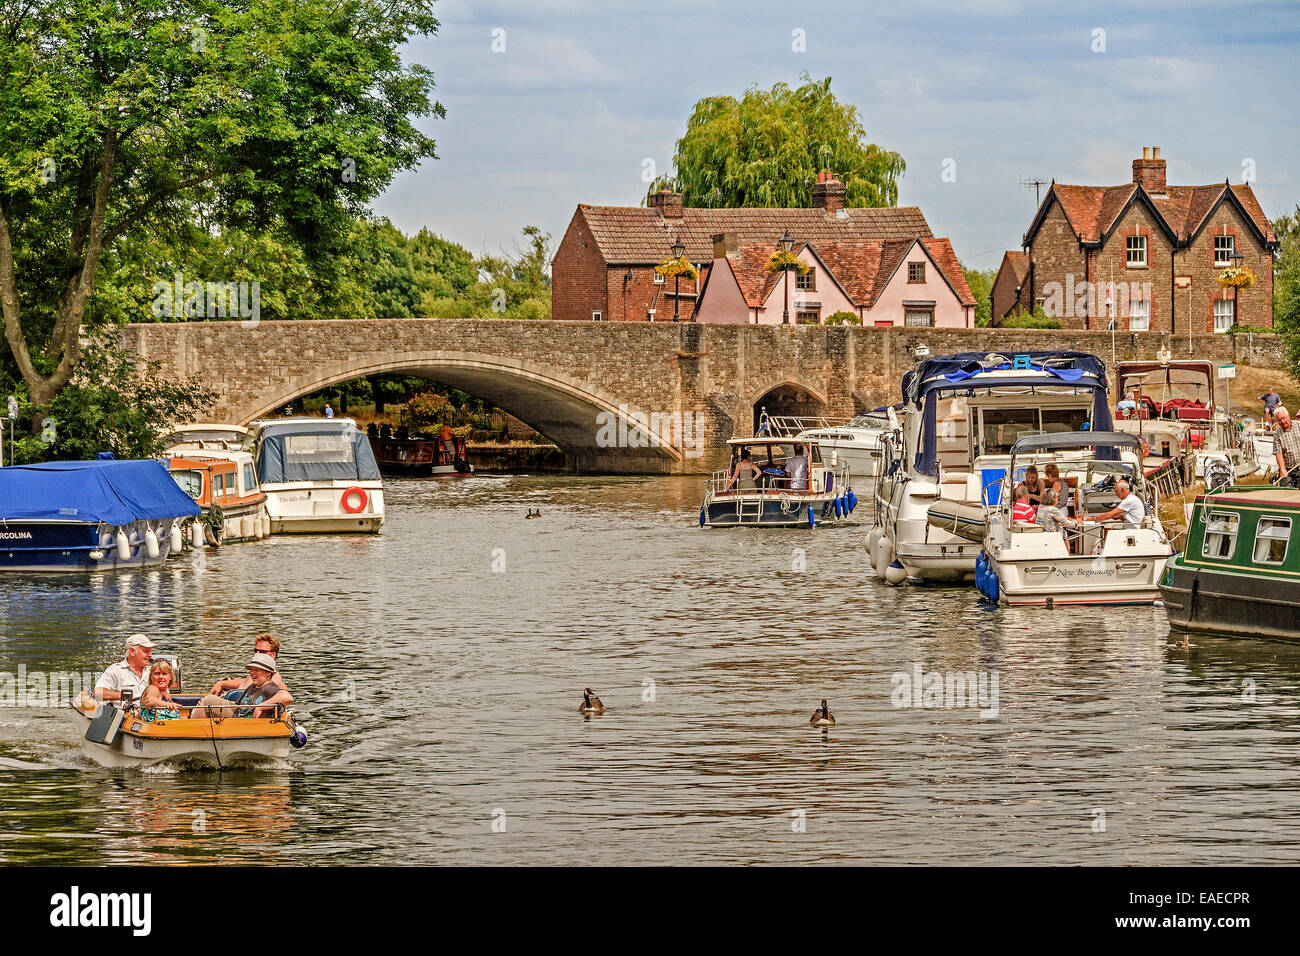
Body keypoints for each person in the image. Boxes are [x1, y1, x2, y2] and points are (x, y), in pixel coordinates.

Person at [190, 654, 292, 719]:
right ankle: (192, 726)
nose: (252, 673)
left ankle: (191, 730)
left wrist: (261, 707)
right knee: (207, 701)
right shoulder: (253, 686)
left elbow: (287, 697)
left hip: (244, 724)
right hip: (237, 714)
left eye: (256, 670)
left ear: (268, 672)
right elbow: (237, 704)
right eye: (251, 669)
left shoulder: (269, 688)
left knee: (207, 702)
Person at [209, 634, 288, 700]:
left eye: (262, 652)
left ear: (273, 655)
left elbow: (282, 693)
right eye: (255, 651)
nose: (257, 654)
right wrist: (222, 684)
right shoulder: (257, 675)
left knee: (208, 701)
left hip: (241, 712)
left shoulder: (274, 678)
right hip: (235, 707)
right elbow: (245, 682)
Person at [94, 634, 155, 702]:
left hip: (150, 712)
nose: (150, 655)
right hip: (123, 711)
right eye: (146, 651)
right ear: (132, 651)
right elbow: (97, 693)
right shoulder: (115, 670)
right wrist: (124, 696)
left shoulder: (154, 671)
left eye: (150, 651)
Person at [1273, 408, 1300, 487]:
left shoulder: (1299, 425)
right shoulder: (1277, 434)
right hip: (1288, 470)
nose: (1282, 421)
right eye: (1279, 420)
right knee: (1285, 492)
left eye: (1283, 418)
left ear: (1288, 416)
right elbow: (1278, 453)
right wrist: (1282, 469)